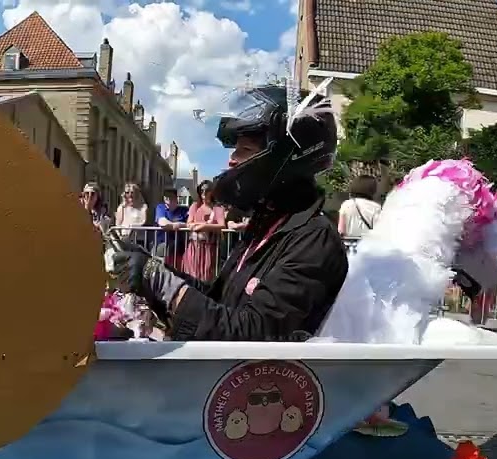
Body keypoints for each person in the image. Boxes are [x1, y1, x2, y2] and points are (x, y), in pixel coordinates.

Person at [109, 82, 346, 342]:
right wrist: (151, 269)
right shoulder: (268, 225)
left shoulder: (313, 239)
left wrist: (160, 281)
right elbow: (218, 301)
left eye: (244, 150)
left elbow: (252, 333)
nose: (231, 160)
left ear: (284, 158)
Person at [182, 180, 227, 282]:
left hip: (209, 248)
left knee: (206, 276)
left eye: (206, 190)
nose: (203, 192)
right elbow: (189, 223)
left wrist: (204, 226)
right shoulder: (195, 206)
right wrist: (198, 225)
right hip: (194, 247)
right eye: (201, 190)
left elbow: (222, 225)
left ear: (212, 192)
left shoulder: (217, 208)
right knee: (192, 275)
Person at [337, 175, 381, 241]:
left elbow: (341, 230)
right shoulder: (376, 207)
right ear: (372, 189)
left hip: (349, 245)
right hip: (368, 244)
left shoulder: (346, 204)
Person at [153, 186, 188, 262]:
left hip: (179, 245)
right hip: (162, 243)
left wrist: (179, 225)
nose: (168, 199)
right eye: (166, 196)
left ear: (176, 198)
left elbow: (190, 223)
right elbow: (162, 222)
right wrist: (176, 225)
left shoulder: (183, 210)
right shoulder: (160, 207)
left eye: (171, 197)